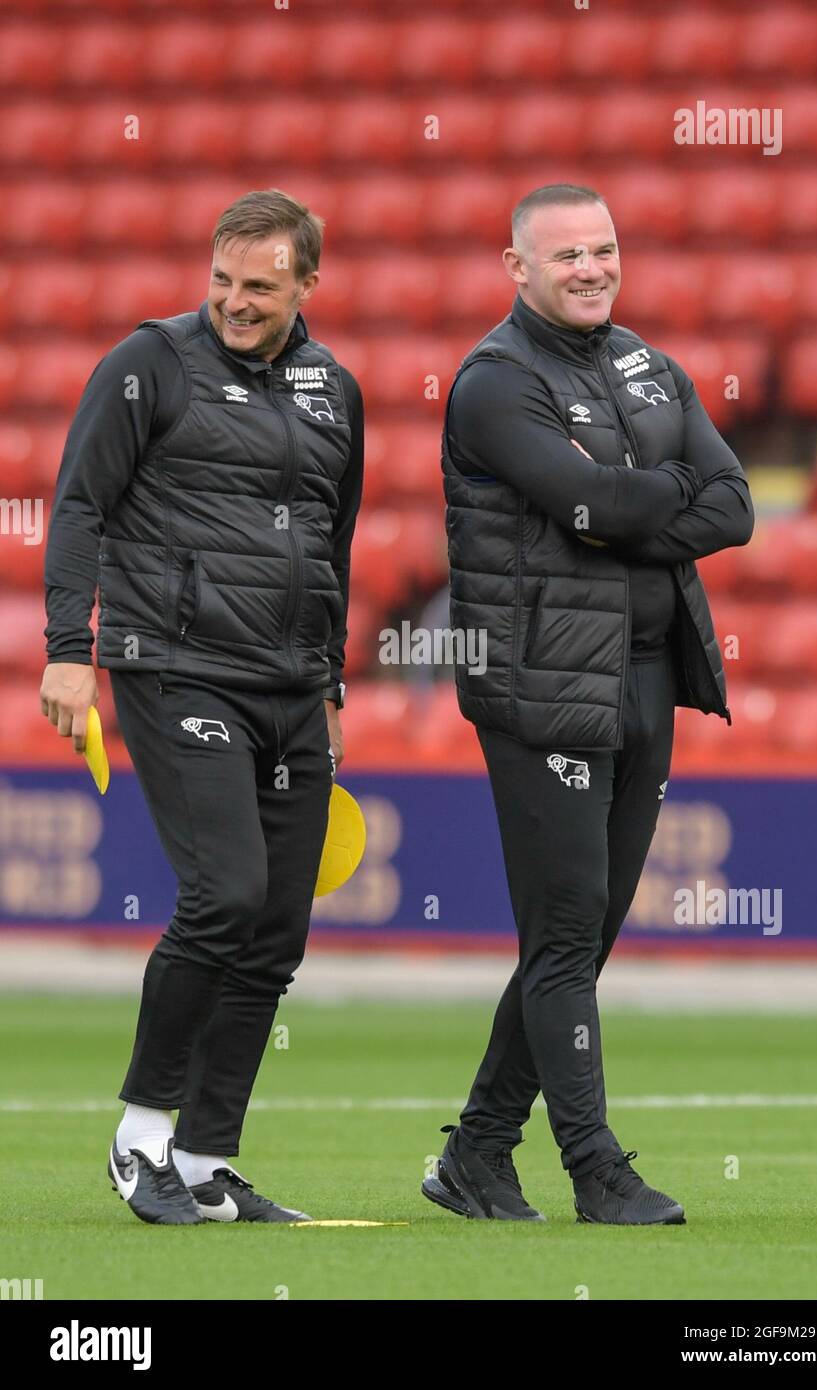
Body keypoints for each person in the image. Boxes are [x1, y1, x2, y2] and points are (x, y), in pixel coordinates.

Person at [424, 183, 754, 1225]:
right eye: (564, 254)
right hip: (541, 686)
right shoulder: (490, 381)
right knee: (566, 935)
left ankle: (476, 1151)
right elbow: (592, 503)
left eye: (602, 248)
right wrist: (645, 495)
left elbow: (734, 503)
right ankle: (593, 1168)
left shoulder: (647, 364)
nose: (588, 268)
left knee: (582, 935)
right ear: (516, 268)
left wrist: (620, 506)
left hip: (648, 675)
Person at [40, 189, 364, 1225]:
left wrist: (333, 681)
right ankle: (140, 1136)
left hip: (288, 686)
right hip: (173, 665)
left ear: (307, 283)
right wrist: (67, 652)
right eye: (221, 281)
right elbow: (79, 502)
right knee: (225, 893)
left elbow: (330, 546)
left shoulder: (333, 390)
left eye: (259, 288)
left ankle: (207, 1156)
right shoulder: (148, 364)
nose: (233, 302)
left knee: (275, 928)